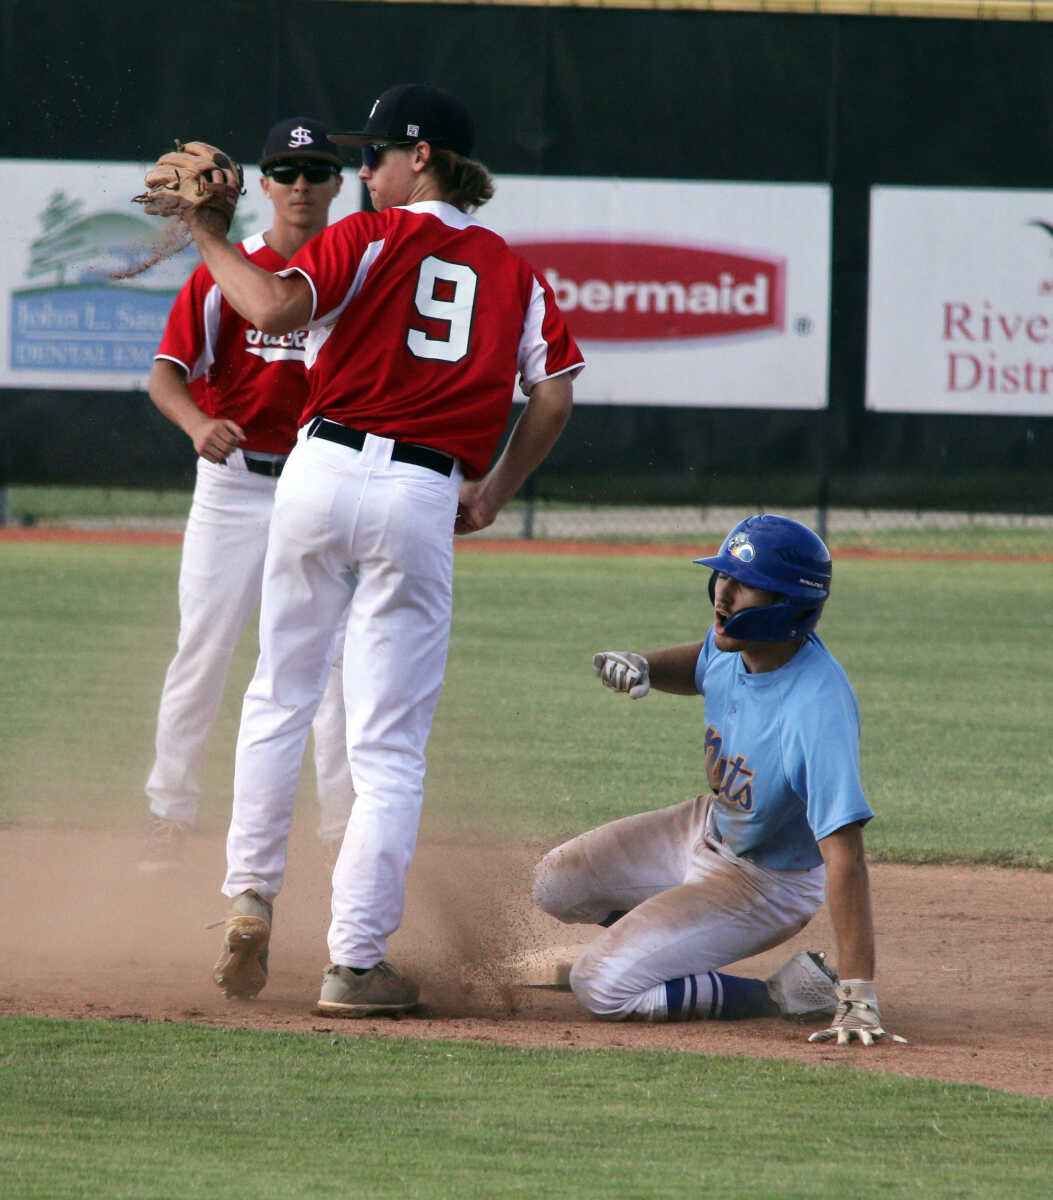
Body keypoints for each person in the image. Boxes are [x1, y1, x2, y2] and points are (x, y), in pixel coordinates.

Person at [180, 83, 584, 1015]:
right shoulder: (515, 274)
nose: (361, 170)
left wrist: (207, 236)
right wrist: (493, 492)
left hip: (318, 472)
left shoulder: (364, 238)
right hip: (420, 492)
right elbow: (555, 394)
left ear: (422, 157)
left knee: (279, 691)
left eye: (375, 154)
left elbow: (270, 310)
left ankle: (249, 898)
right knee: (389, 749)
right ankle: (355, 965)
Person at [532, 514, 906, 1047]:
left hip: (765, 882)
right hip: (706, 826)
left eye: (742, 583)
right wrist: (645, 666)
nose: (721, 594)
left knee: (601, 987)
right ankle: (656, 955)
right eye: (722, 576)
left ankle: (783, 993)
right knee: (554, 883)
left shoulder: (815, 707)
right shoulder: (739, 645)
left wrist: (858, 995)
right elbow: (703, 663)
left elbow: (846, 856)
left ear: (786, 604)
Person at [139, 117, 355, 873]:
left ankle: (342, 832)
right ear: (262, 184)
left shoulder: (354, 269)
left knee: (334, 666)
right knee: (203, 649)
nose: (301, 185)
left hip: (319, 488)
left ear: (339, 184)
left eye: (317, 171)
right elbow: (166, 373)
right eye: (286, 172)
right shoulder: (226, 271)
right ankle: (169, 813)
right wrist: (198, 423)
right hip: (233, 488)